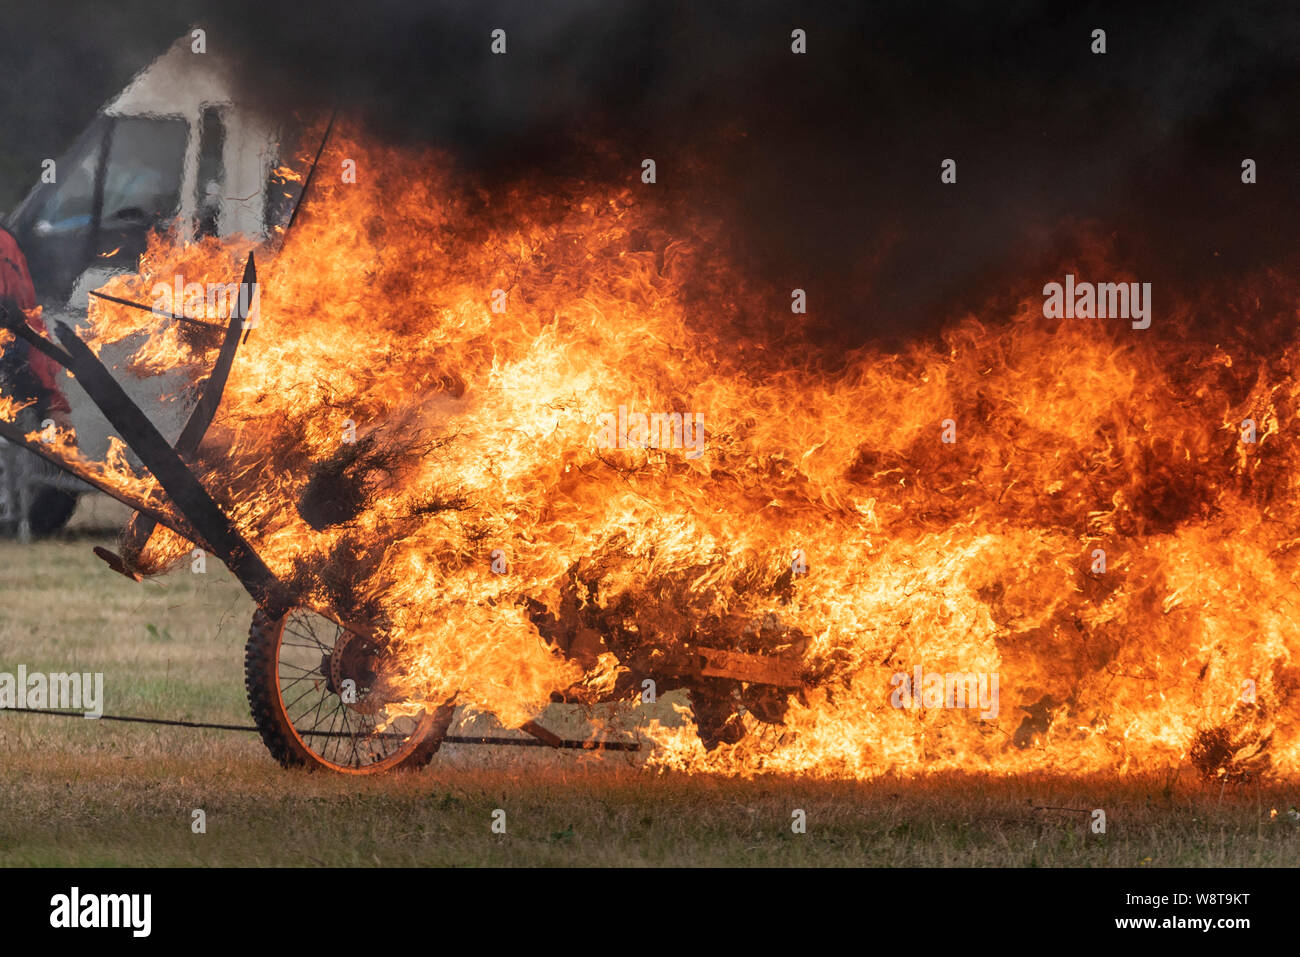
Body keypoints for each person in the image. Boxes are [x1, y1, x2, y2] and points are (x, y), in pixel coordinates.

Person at [0, 224, 73, 433]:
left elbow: (21, 323)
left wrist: (49, 401)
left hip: (26, 377)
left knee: (52, 445)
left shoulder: (3, 245)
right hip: (27, 372)